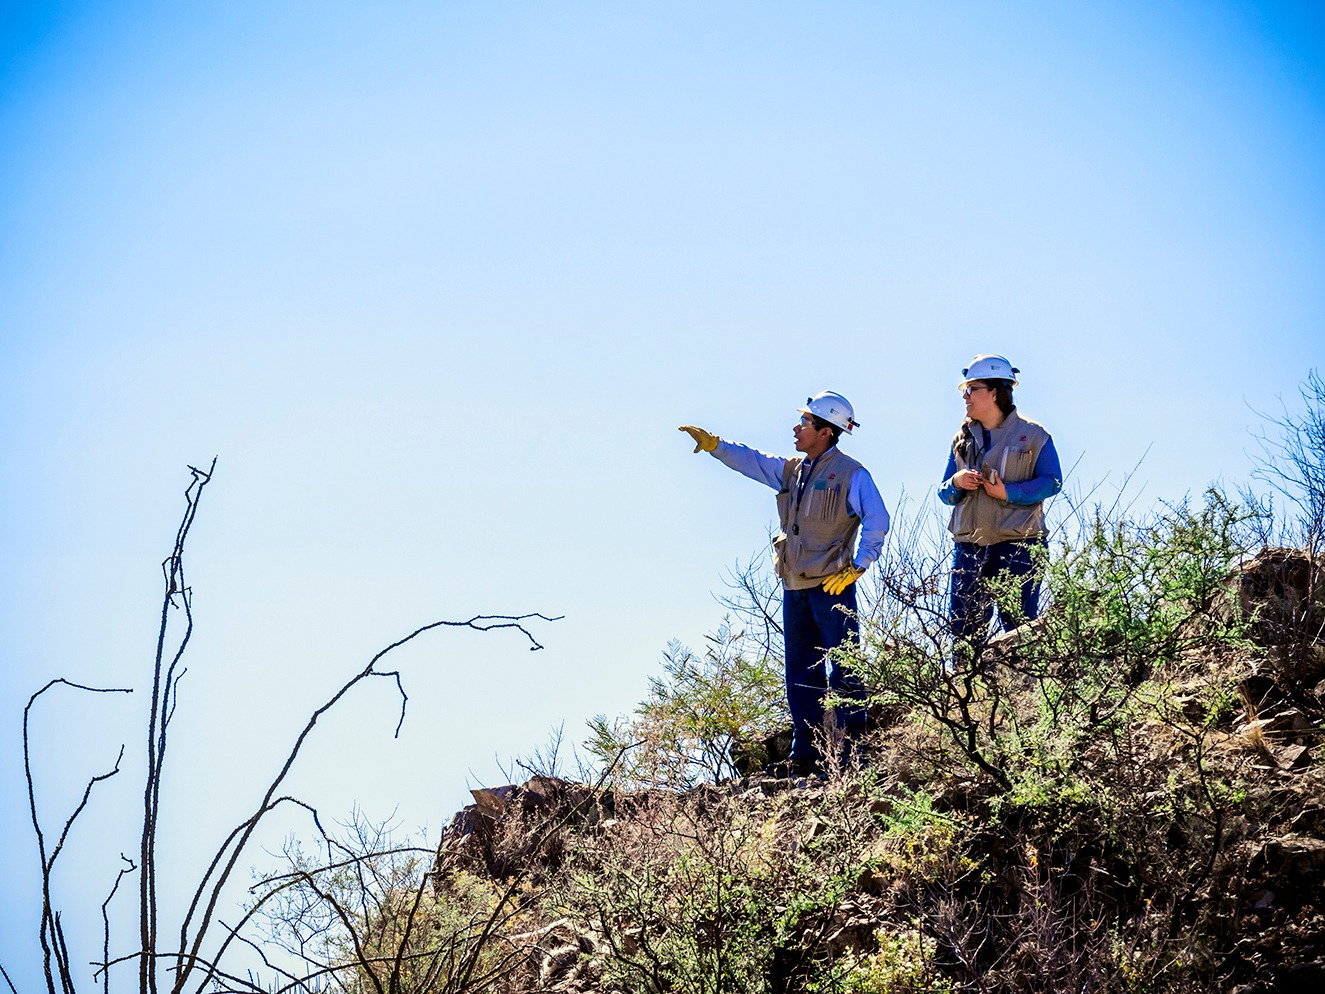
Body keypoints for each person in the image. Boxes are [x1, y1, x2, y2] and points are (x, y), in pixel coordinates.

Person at [679, 391, 890, 776]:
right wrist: (715, 446)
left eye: (806, 423)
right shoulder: (793, 468)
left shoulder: (852, 473)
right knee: (801, 673)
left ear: (826, 431)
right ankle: (807, 757)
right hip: (794, 587)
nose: (797, 428)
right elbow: (753, 462)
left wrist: (859, 566)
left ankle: (851, 753)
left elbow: (878, 521)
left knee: (844, 669)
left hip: (832, 588)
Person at [938, 354, 1062, 648]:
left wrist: (1009, 493)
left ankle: (1023, 689)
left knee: (1019, 628)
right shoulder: (961, 438)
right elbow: (944, 492)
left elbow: (1052, 481)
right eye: (965, 390)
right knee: (963, 630)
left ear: (994, 392)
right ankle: (967, 691)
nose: (965, 396)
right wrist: (956, 483)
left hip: (1019, 545)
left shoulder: (1033, 436)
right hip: (968, 547)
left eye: (972, 388)